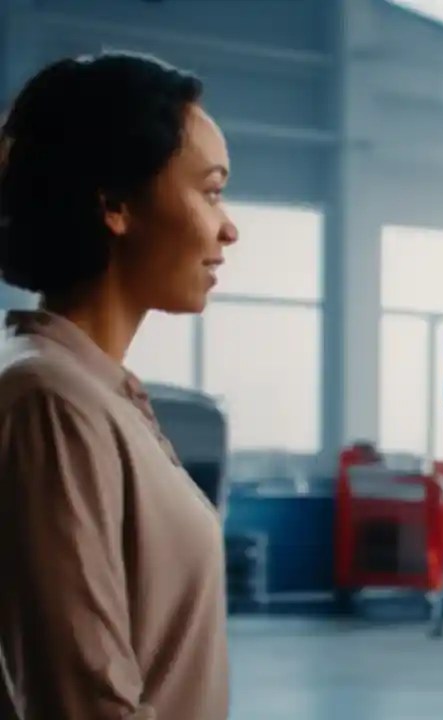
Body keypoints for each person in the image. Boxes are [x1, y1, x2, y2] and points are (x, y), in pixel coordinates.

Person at [0, 52, 238, 720]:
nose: (229, 227)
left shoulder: (94, 390)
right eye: (211, 191)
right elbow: (80, 699)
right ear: (114, 203)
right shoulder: (51, 401)